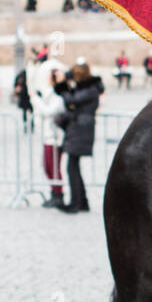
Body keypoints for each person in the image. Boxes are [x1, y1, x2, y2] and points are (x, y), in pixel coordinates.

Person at [56, 59, 104, 212]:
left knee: (72, 167)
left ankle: (76, 202)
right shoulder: (89, 87)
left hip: (80, 129)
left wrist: (62, 86)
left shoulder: (90, 89)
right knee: (73, 166)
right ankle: (82, 201)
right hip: (79, 129)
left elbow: (72, 100)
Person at [34, 58, 69, 209]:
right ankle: (54, 192)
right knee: (47, 166)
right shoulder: (50, 93)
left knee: (54, 167)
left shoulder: (59, 96)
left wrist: (35, 100)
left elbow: (49, 111)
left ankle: (58, 194)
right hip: (47, 136)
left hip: (55, 137)